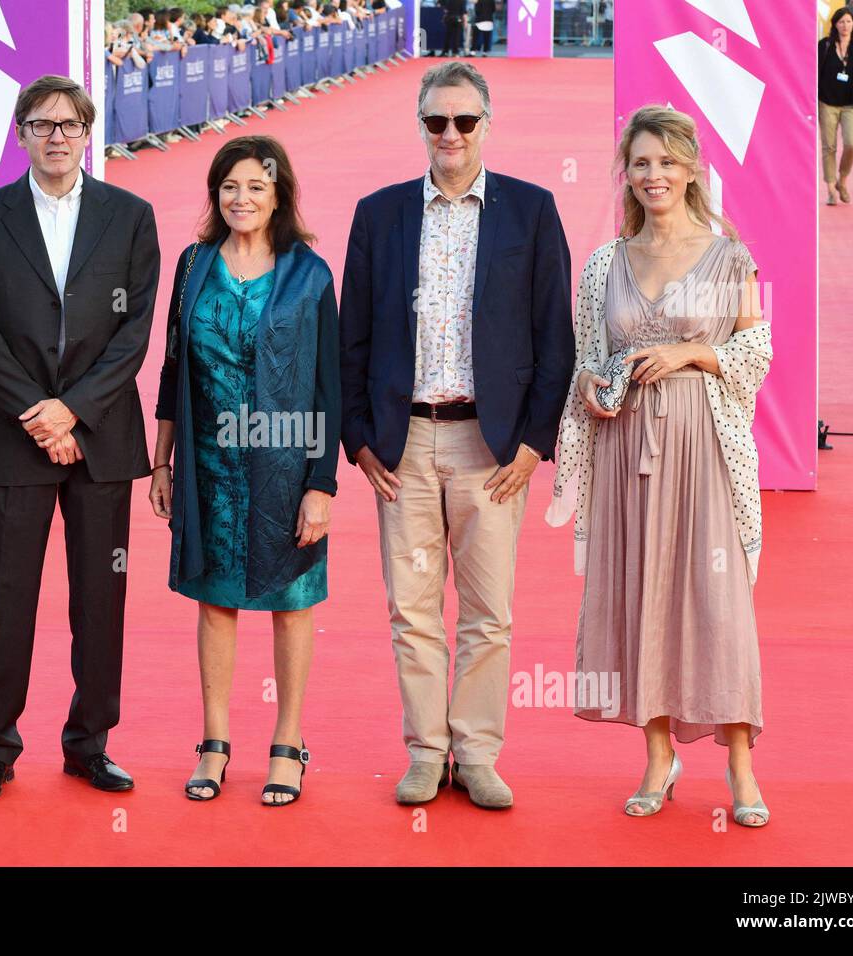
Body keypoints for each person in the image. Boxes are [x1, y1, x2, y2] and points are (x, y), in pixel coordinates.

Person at [339, 62, 574, 808]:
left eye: (464, 121)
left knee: (488, 612)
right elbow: (351, 338)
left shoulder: (530, 212)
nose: (450, 134)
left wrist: (535, 444)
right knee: (411, 610)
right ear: (421, 125)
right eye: (437, 121)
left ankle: (475, 753)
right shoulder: (379, 216)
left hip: (491, 447)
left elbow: (555, 337)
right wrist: (358, 438)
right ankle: (424, 751)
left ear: (486, 124)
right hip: (402, 444)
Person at [548, 104, 772, 828]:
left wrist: (689, 353)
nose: (654, 176)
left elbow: (757, 354)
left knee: (717, 602)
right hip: (624, 453)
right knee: (637, 595)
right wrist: (591, 387)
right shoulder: (604, 264)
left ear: (691, 169)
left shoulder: (727, 255)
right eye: (642, 163)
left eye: (668, 162)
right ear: (628, 172)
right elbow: (585, 358)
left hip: (703, 448)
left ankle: (739, 761)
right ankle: (657, 756)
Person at [0, 74, 160, 800]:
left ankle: (90, 743)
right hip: (17, 438)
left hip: (100, 435)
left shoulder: (130, 216)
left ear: (86, 133)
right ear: (20, 134)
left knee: (100, 600)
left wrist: (73, 411)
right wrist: (39, 414)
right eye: (42, 125)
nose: (56, 137)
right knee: (3, 598)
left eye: (70, 125)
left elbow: (134, 330)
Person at [151, 135, 340, 806]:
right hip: (208, 461)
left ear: (279, 193)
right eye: (230, 187)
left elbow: (328, 389)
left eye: (257, 187)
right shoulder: (193, 264)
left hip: (286, 461)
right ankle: (214, 741)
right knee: (215, 599)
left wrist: (322, 485)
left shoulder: (309, 273)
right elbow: (174, 364)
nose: (242, 198)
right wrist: (162, 459)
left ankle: (288, 743)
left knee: (290, 603)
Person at [818, 7, 853, 205]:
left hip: (851, 103)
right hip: (827, 102)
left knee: (852, 143)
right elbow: (814, 74)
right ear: (835, 24)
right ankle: (831, 188)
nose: (845, 25)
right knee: (829, 147)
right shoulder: (824, 46)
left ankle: (842, 179)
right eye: (841, 22)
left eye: (849, 22)